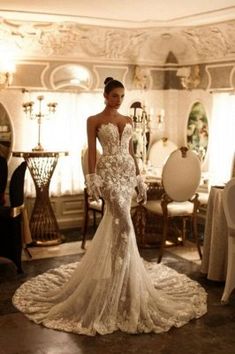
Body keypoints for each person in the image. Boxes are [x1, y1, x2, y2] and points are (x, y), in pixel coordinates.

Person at [12, 77, 207, 336]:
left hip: (126, 172)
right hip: (108, 173)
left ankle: (122, 277)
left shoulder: (127, 121)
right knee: (124, 224)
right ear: (105, 95)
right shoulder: (93, 120)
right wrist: (92, 178)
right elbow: (93, 152)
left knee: (120, 225)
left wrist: (139, 179)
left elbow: (132, 152)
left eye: (122, 96)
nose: (118, 100)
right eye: (115, 95)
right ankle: (117, 278)